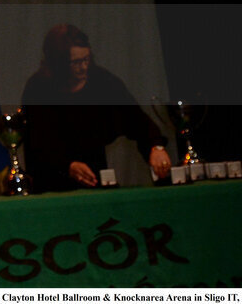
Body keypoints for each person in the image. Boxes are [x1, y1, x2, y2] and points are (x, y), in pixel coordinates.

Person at [21, 23, 172, 192]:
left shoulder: (103, 82)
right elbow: (37, 145)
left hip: (95, 180)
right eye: (76, 62)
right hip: (52, 185)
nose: (83, 67)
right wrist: (68, 166)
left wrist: (156, 147)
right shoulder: (38, 89)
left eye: (86, 59)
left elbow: (136, 119)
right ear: (58, 63)